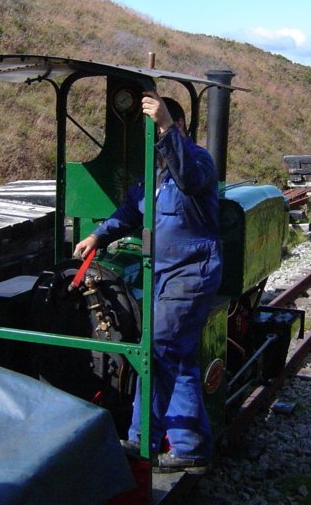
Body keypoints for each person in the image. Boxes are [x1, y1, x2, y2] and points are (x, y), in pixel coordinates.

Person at [74, 91, 222, 473]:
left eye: (160, 129)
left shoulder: (198, 160)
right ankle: (189, 445)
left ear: (179, 127)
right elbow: (129, 211)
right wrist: (97, 236)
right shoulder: (152, 175)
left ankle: (144, 439)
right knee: (177, 355)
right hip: (164, 274)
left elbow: (189, 178)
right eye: (152, 131)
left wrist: (166, 126)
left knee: (157, 351)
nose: (154, 138)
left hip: (191, 272)